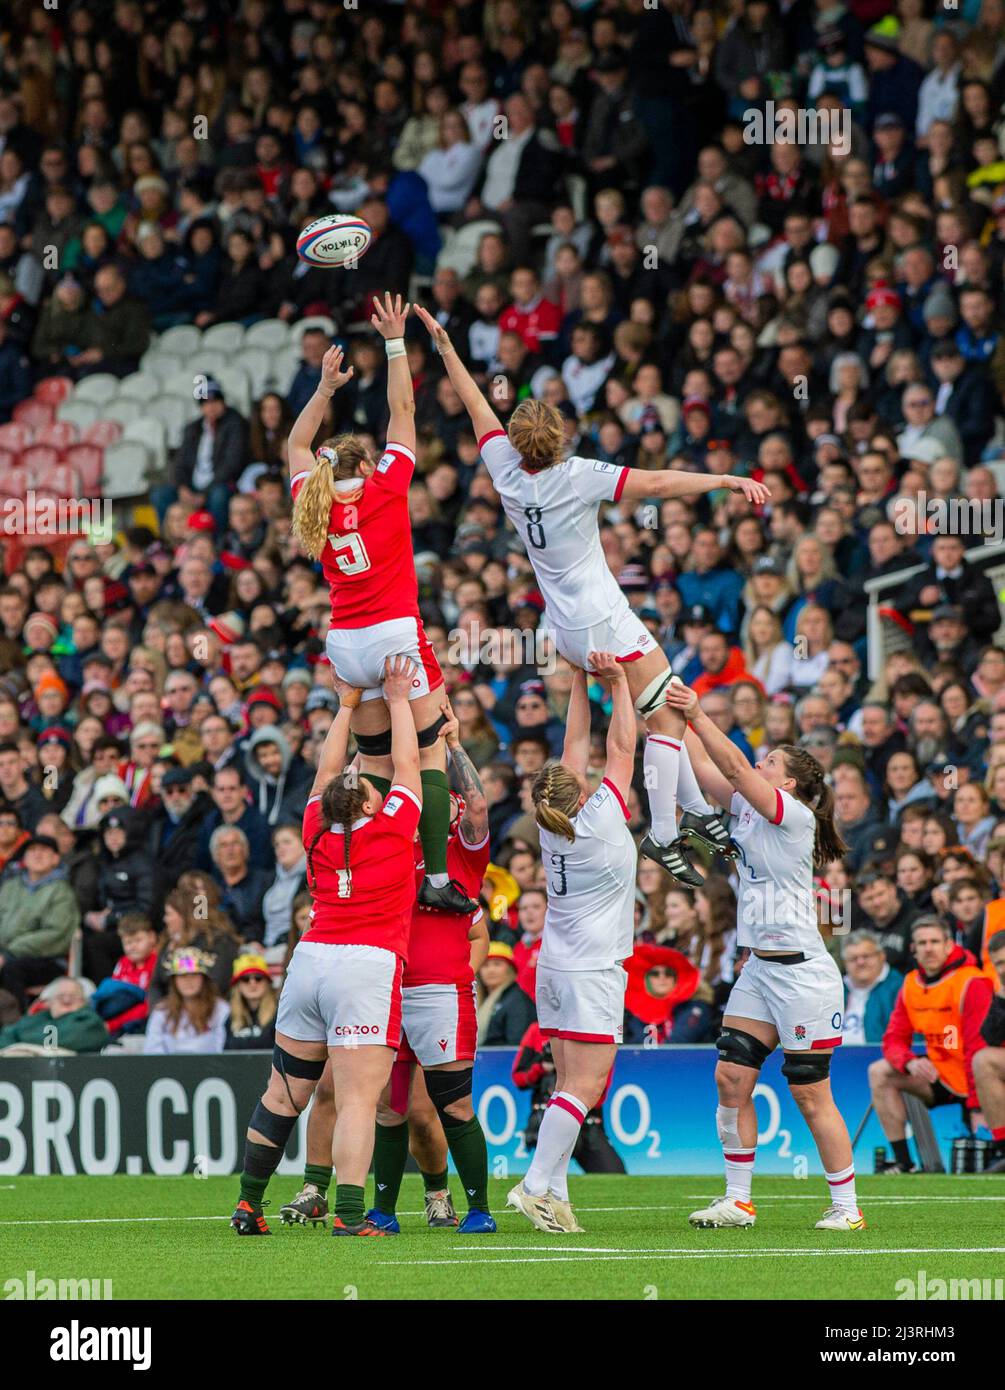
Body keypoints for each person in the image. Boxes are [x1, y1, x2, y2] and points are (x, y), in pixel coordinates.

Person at [414, 304, 770, 889]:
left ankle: (699, 814)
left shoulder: (504, 471)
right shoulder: (575, 473)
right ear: (556, 438)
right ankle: (662, 827)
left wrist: (446, 349)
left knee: (663, 711)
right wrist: (724, 480)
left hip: (563, 625)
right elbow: (654, 483)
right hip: (603, 615)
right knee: (669, 710)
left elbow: (479, 409)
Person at [288, 295, 473, 915]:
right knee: (426, 753)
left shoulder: (311, 501)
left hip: (344, 643)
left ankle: (360, 860)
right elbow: (403, 408)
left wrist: (323, 389)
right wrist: (395, 341)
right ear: (366, 464)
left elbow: (295, 445)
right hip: (394, 632)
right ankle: (438, 876)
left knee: (372, 759)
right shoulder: (387, 486)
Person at [666, 677, 866, 1232]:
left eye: (773, 761)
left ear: (794, 782)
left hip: (802, 971)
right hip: (758, 968)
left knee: (809, 1092)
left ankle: (846, 1209)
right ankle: (739, 1200)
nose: (762, 763)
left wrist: (699, 713)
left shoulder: (792, 817)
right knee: (731, 1077)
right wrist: (669, 721)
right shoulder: (751, 811)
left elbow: (731, 769)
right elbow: (708, 770)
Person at [231, 657, 422, 1238]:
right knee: (360, 1101)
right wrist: (395, 698)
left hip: (310, 959)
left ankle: (248, 1205)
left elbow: (325, 770)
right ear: (367, 804)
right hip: (365, 963)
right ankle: (349, 1216)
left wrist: (343, 705)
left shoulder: (314, 823)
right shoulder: (389, 826)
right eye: (367, 785)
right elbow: (411, 765)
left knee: (284, 1091)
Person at [507, 654, 636, 1235]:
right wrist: (620, 684)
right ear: (580, 793)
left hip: (554, 966)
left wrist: (581, 683)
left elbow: (574, 746)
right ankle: (533, 1185)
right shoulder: (601, 819)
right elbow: (623, 747)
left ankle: (555, 1196)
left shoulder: (547, 820)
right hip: (592, 969)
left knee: (564, 1084)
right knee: (586, 1087)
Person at [366, 696, 494, 1235]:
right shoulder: (391, 842)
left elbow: (480, 807)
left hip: (442, 988)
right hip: (386, 984)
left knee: (453, 1104)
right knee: (389, 1108)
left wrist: (453, 744)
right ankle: (383, 1211)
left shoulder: (463, 853)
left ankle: (480, 1210)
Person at [870, 916, 993, 1172]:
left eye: (935, 941)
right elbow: (893, 1039)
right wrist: (908, 1062)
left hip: (981, 1077)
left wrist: (976, 1105)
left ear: (949, 945)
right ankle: (904, 1163)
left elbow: (977, 1047)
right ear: (913, 948)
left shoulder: (972, 980)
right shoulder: (910, 983)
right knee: (879, 1072)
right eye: (922, 943)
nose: (929, 948)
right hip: (940, 1074)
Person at [143, 947, 230, 1055]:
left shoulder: (221, 1009)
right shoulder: (161, 1011)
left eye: (194, 974)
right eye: (182, 975)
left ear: (204, 978)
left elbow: (223, 1049)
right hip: (169, 1070)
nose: (188, 980)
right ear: (174, 981)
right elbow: (152, 1051)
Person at [840, 929, 903, 1044]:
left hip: (880, 1058)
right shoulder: (835, 989)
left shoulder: (900, 988)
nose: (860, 962)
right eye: (853, 958)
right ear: (845, 963)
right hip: (833, 1058)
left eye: (866, 956)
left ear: (882, 956)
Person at [225, 953, 277, 1050]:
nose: (252, 983)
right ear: (238, 986)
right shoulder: (231, 1018)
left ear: (267, 983)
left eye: (258, 978)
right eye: (245, 979)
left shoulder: (279, 1014)